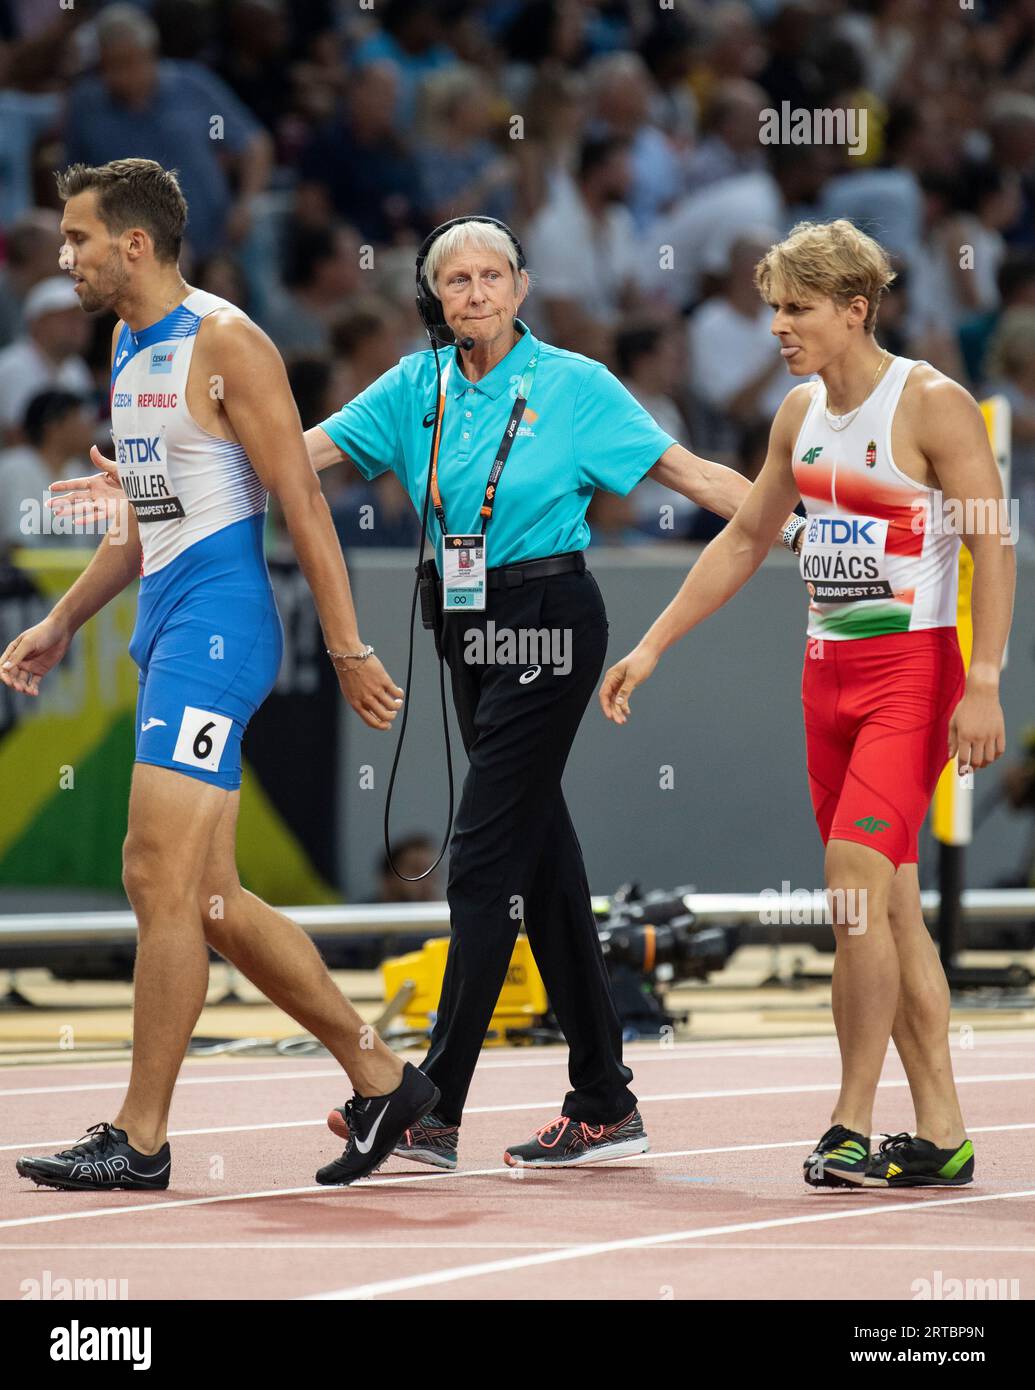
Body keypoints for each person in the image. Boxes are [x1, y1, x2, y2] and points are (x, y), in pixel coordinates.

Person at [306, 215, 805, 1169]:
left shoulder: (574, 383)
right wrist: (165, 481)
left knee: (483, 858)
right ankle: (605, 1099)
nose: (475, 294)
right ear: (433, 298)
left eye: (492, 277)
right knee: (544, 867)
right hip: (462, 627)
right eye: (455, 281)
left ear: (523, 289)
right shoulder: (416, 386)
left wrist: (801, 530)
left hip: (547, 619)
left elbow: (690, 471)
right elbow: (298, 453)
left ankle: (427, 1105)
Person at [2, 157, 437, 1192]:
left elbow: (302, 502)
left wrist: (345, 643)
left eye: (78, 239)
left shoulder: (226, 341)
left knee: (151, 874)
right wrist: (63, 620)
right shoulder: (123, 344)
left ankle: (141, 1137)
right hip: (169, 626)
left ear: (135, 245)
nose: (64, 257)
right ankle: (383, 1079)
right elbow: (147, 524)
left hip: (222, 632)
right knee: (210, 903)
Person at [601, 219, 1016, 1190]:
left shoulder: (934, 404)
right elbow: (746, 539)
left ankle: (849, 1122)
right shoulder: (797, 416)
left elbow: (993, 546)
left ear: (853, 309)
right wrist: (653, 645)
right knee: (894, 910)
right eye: (774, 307)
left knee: (850, 898)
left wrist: (986, 678)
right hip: (824, 677)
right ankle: (945, 1129)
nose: (778, 326)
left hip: (912, 674)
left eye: (796, 308)